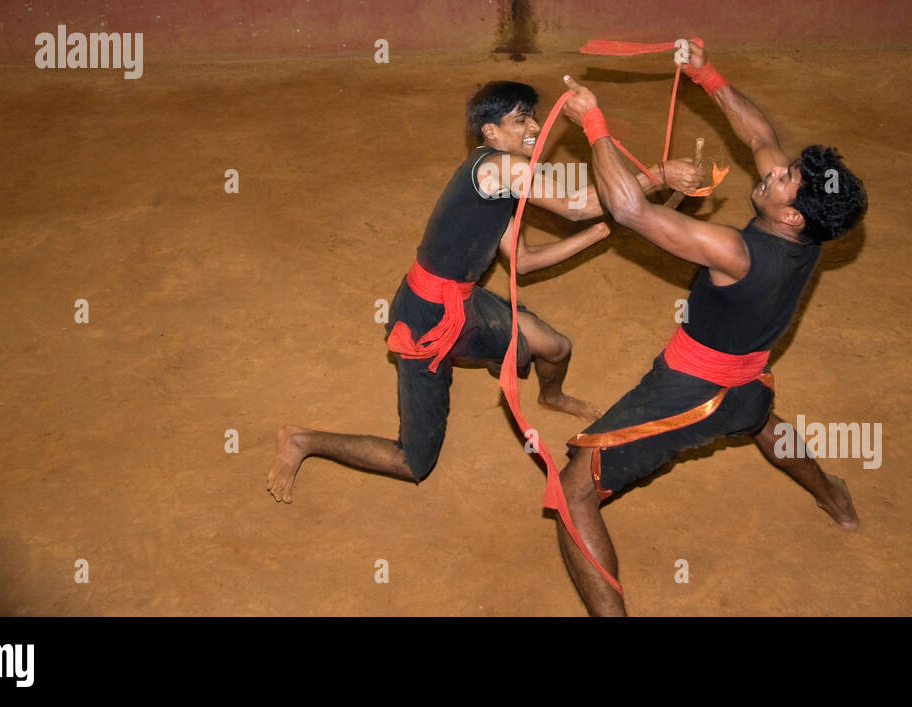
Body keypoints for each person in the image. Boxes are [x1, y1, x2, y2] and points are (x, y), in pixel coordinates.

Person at [267, 80, 703, 502]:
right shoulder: (500, 166)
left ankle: (552, 396)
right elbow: (579, 206)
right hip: (425, 318)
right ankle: (302, 439)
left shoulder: (503, 179)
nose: (534, 128)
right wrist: (659, 174)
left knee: (555, 346)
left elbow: (524, 259)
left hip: (463, 302)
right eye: (520, 120)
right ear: (490, 132)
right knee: (412, 462)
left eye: (532, 117)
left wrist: (594, 235)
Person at [555, 41, 868, 615]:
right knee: (757, 419)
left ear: (792, 213)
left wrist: (592, 123)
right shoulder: (807, 234)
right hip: (748, 380)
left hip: (690, 393)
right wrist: (708, 75)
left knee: (573, 494)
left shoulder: (735, 251)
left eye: (786, 180)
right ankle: (837, 502)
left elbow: (629, 211)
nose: (775, 172)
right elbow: (757, 136)